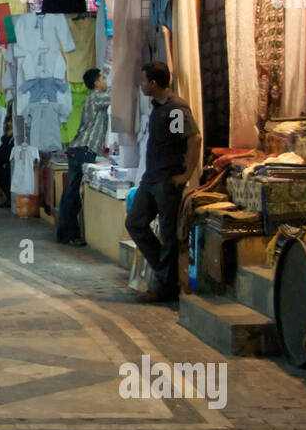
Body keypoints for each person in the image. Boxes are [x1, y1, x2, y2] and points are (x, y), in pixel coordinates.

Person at [125, 61, 200, 304]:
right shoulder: (158, 107)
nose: (141, 84)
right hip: (152, 178)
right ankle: (166, 274)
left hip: (167, 181)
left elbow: (192, 139)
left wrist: (186, 175)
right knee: (135, 222)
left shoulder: (175, 109)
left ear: (154, 83)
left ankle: (166, 286)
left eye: (144, 80)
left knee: (168, 234)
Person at [56, 68, 110, 246]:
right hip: (83, 149)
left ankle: (66, 233)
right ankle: (69, 235)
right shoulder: (96, 97)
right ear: (95, 83)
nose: (105, 81)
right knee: (72, 194)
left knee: (71, 193)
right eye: (102, 78)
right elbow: (116, 96)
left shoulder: (93, 97)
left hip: (80, 148)